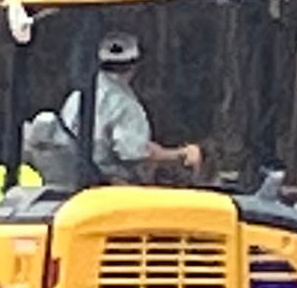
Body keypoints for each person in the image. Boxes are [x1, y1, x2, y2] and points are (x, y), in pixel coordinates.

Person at [23, 28, 206, 193]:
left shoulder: (78, 96)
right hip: (107, 189)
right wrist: (178, 155)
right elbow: (133, 153)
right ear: (134, 66)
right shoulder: (126, 106)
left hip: (72, 188)